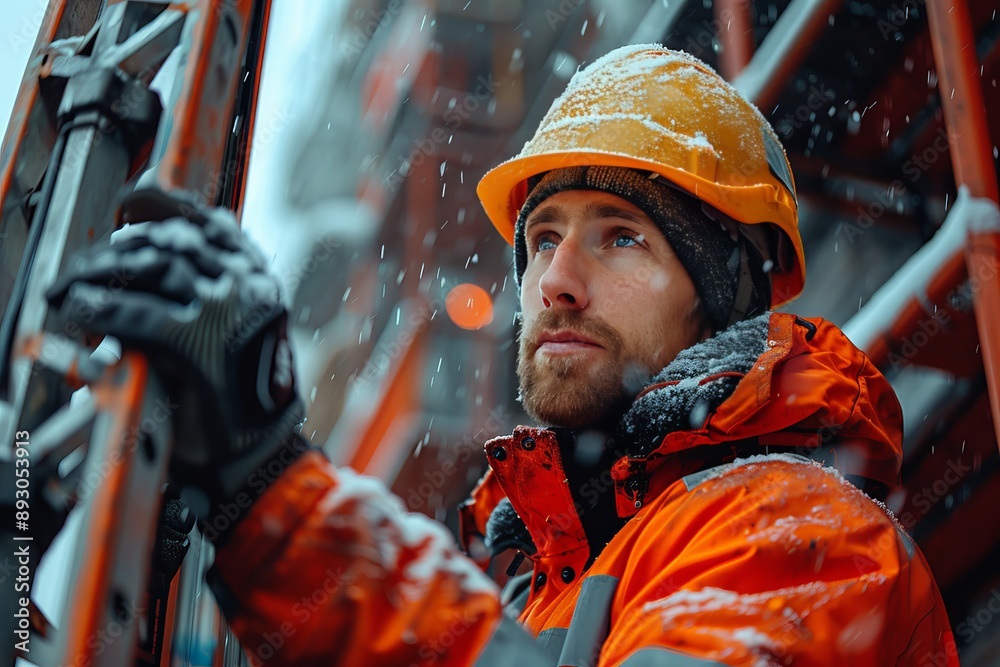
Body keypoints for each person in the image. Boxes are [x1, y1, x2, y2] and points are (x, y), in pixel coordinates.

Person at [48, 45, 958, 666]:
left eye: (623, 238)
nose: (555, 279)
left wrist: (278, 493)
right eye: (543, 237)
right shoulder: (531, 581)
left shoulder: (806, 535)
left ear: (721, 292)